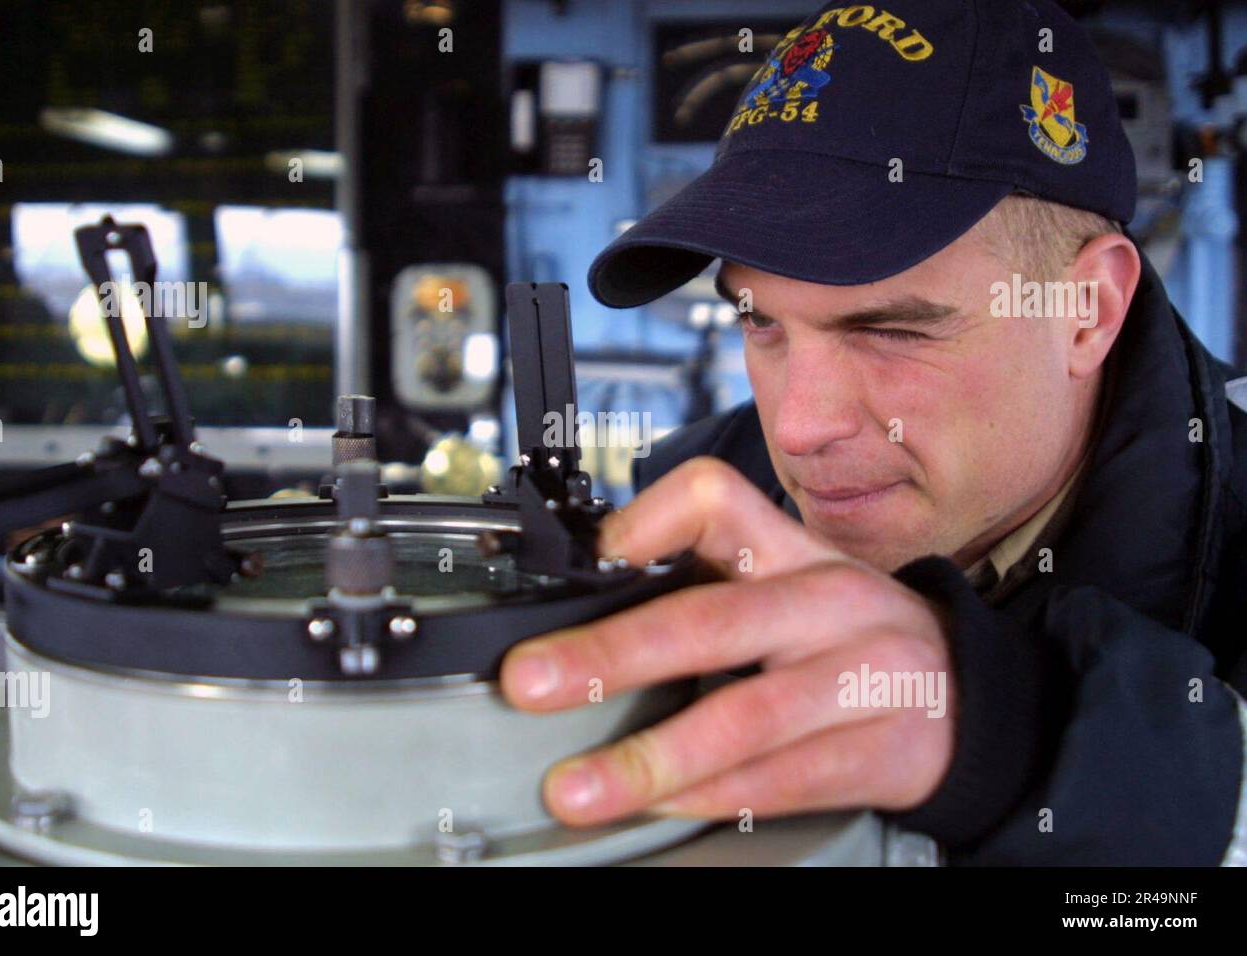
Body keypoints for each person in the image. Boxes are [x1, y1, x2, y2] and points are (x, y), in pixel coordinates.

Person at [499, 0, 1247, 865]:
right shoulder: (707, 490)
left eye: (892, 330)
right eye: (760, 322)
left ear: (1088, 311)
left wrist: (1015, 744)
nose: (799, 427)